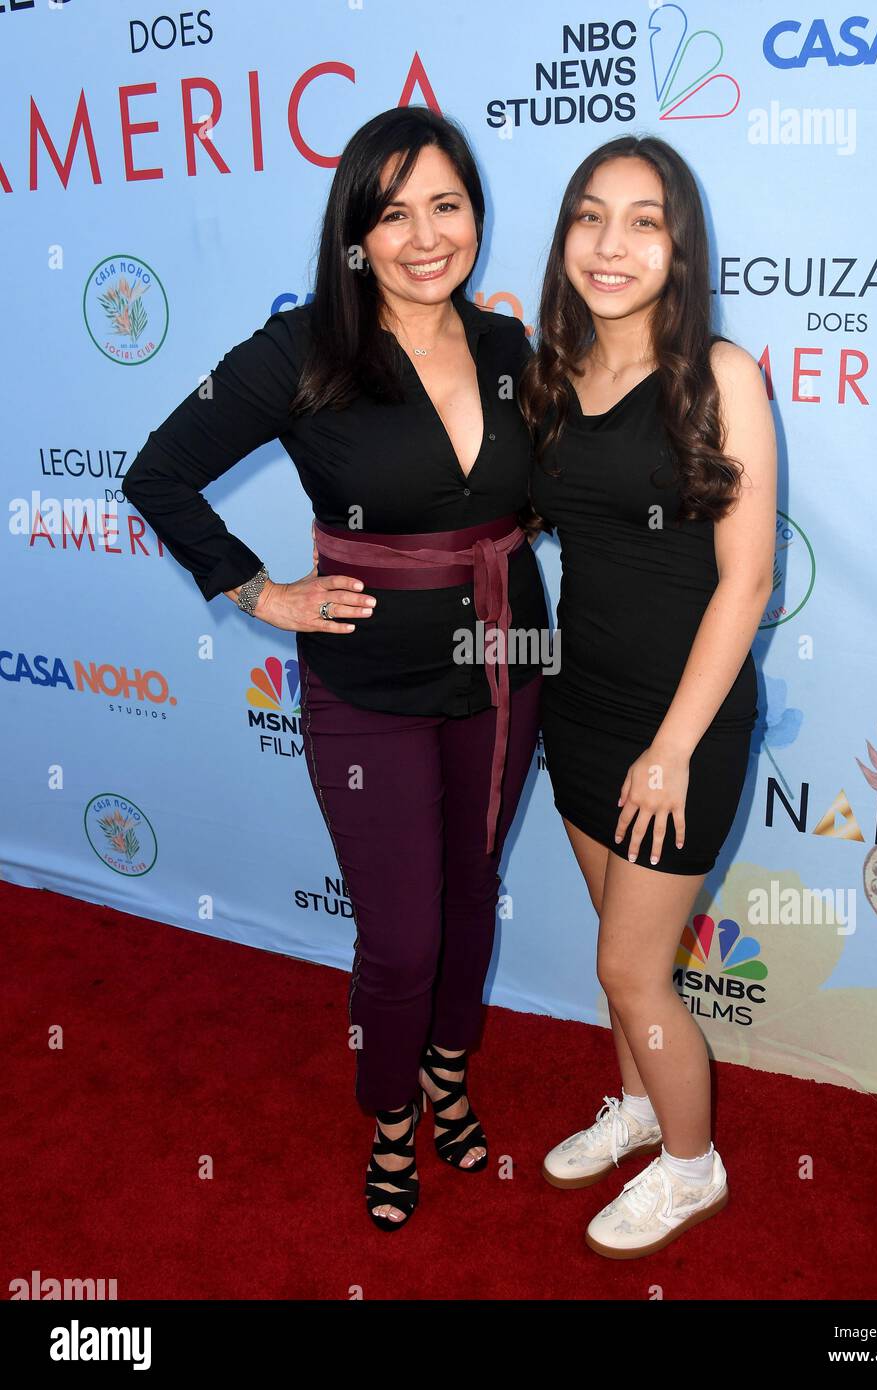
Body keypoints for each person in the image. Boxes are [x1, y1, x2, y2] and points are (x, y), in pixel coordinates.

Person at [121, 107, 549, 1232]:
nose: (424, 236)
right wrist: (260, 590)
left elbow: (547, 493)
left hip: (508, 663)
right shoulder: (301, 350)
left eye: (445, 206)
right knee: (401, 932)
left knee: (469, 897)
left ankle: (450, 1079)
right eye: (392, 212)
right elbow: (157, 472)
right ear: (353, 232)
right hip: (366, 687)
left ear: (476, 214)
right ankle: (392, 1117)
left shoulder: (508, 349)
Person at [518, 136, 776, 1259]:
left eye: (641, 221)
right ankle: (634, 1109)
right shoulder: (551, 375)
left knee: (628, 966)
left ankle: (691, 1164)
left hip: (684, 724)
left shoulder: (720, 376)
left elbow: (747, 579)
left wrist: (670, 747)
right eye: (588, 216)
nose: (608, 244)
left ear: (678, 249)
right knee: (619, 949)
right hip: (578, 706)